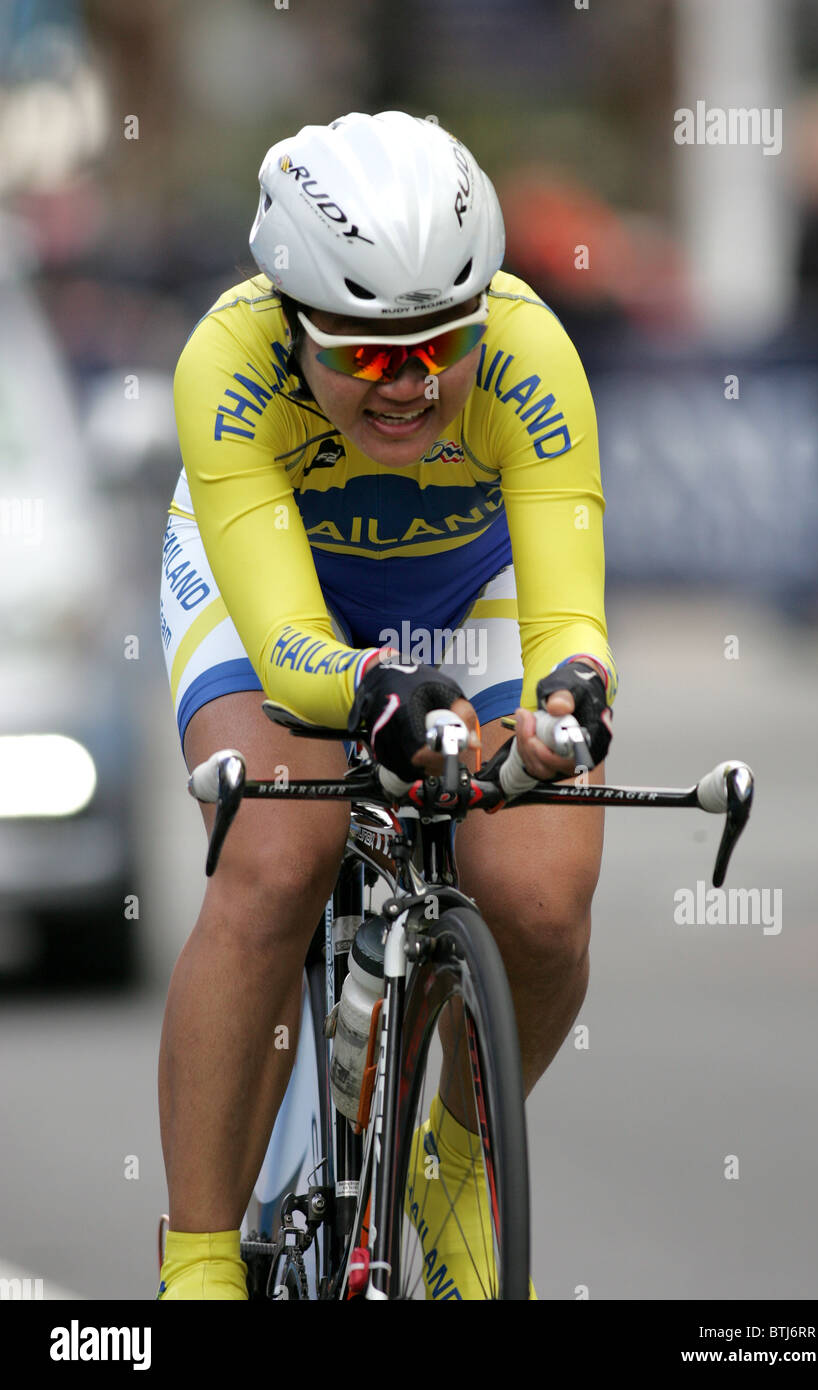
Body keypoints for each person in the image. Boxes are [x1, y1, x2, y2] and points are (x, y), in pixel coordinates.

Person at [157, 110, 617, 1300]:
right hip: (280, 595)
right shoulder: (226, 358)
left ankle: (453, 1166)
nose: (410, 384)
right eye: (365, 353)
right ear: (292, 324)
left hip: (464, 592)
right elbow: (293, 648)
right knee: (277, 853)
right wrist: (370, 688)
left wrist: (576, 696)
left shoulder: (528, 350)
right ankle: (201, 1259)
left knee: (544, 895)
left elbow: (569, 630)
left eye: (438, 345)